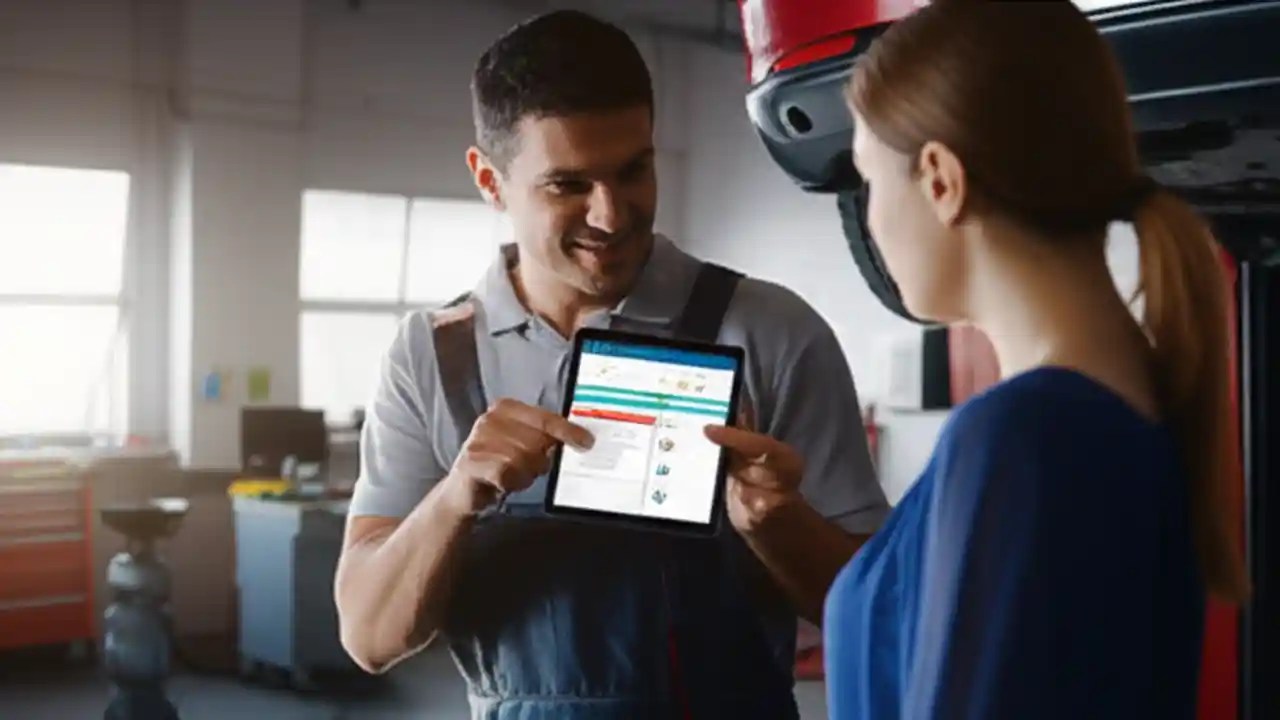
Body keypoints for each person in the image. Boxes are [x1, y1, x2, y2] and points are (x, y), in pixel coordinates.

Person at [332, 10, 888, 719]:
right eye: (567, 185)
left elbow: (882, 612)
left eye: (634, 171)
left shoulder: (773, 331)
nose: (611, 215)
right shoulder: (432, 357)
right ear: (489, 180)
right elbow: (369, 638)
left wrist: (777, 523)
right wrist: (455, 498)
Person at [704, 1, 1250, 718]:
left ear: (939, 179)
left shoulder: (1022, 437)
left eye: (870, 180)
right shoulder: (1122, 402)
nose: (869, 217)